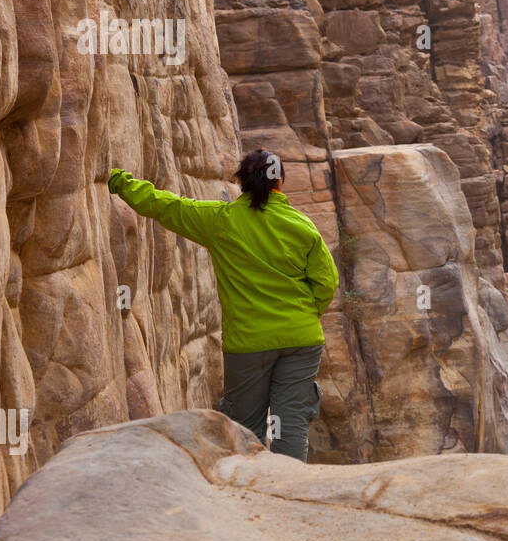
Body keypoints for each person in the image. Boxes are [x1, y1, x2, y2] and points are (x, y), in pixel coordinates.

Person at [107, 149, 339, 461]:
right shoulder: (303, 226)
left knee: (246, 428)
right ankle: (289, 490)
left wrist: (119, 181)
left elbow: (166, 206)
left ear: (241, 182)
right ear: (280, 181)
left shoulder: (221, 221)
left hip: (248, 343)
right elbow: (326, 283)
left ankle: (253, 492)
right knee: (290, 424)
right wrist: (304, 315)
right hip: (302, 339)